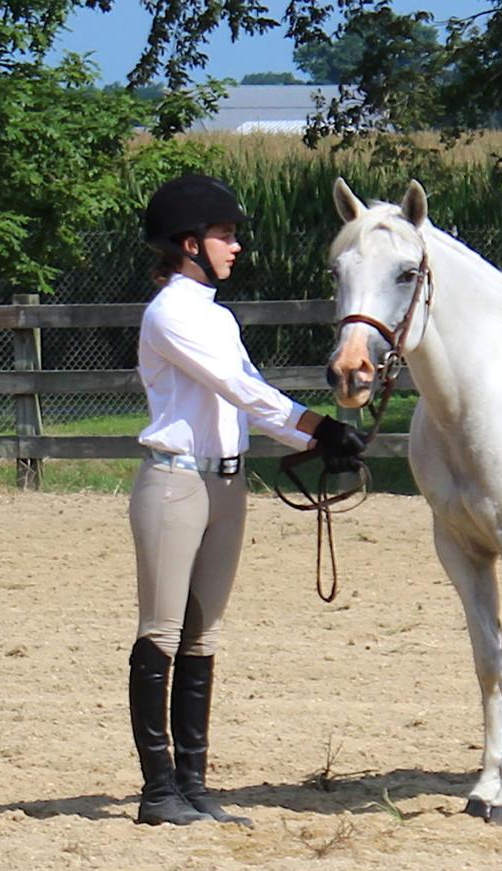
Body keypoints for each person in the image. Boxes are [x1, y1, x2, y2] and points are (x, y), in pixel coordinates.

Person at [128, 174, 367, 826]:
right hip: (175, 485)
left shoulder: (215, 315)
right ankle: (158, 792)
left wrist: (316, 441)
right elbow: (239, 388)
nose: (235, 247)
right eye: (225, 235)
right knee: (162, 632)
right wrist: (320, 426)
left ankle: (193, 784)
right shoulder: (171, 313)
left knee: (202, 638)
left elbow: (256, 400)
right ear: (187, 243)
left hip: (226, 486)